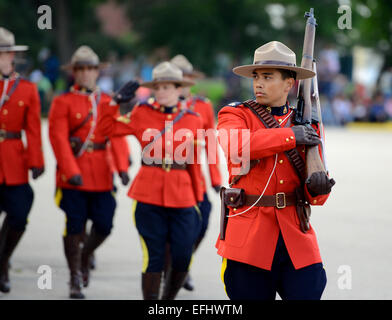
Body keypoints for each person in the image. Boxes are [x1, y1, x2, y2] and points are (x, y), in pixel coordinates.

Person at [217, 41, 335, 300]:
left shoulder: (308, 124)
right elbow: (237, 146)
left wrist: (318, 187)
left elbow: (317, 196)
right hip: (249, 240)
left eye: (267, 77)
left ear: (289, 83)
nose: (258, 83)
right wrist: (291, 135)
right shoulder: (235, 114)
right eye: (256, 77)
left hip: (295, 236)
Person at [97, 61, 204, 300]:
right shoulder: (141, 113)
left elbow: (194, 164)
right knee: (154, 255)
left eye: (169, 86)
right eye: (159, 86)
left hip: (182, 195)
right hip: (148, 193)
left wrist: (198, 199)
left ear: (179, 89)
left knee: (183, 254)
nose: (163, 91)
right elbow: (106, 129)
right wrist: (114, 102)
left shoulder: (193, 119)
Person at [48, 45, 131, 299]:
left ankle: (85, 256)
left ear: (97, 72)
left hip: (101, 172)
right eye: (81, 69)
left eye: (90, 69)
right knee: (74, 225)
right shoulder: (62, 101)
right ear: (74, 72)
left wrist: (122, 167)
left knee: (104, 224)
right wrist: (70, 170)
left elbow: (115, 136)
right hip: (73, 174)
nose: (86, 74)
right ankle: (74, 276)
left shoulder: (107, 101)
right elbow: (58, 138)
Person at [170, 54, 222, 291]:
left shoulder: (202, 106)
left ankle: (182, 264)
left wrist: (216, 179)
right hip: (167, 176)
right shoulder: (157, 105)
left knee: (201, 223)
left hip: (195, 178)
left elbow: (210, 143)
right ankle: (174, 268)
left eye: (186, 77)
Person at [0, 27, 45, 293]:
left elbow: (34, 129)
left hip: (14, 160)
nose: (4, 58)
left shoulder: (27, 89)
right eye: (1, 53)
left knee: (19, 214)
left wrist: (36, 159)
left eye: (7, 53)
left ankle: (3, 260)